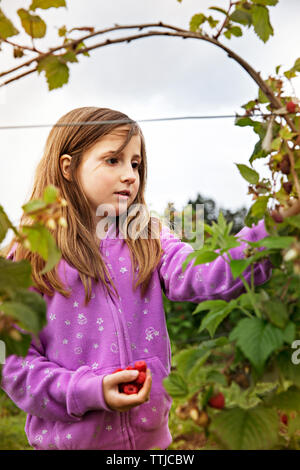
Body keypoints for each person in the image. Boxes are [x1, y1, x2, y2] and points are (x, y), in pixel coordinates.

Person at [1, 106, 274, 450]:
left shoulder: (148, 237)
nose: (130, 174)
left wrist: (271, 233)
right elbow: (13, 364)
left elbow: (201, 274)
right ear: (68, 168)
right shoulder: (32, 257)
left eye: (135, 163)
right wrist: (88, 391)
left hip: (151, 443)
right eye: (113, 160)